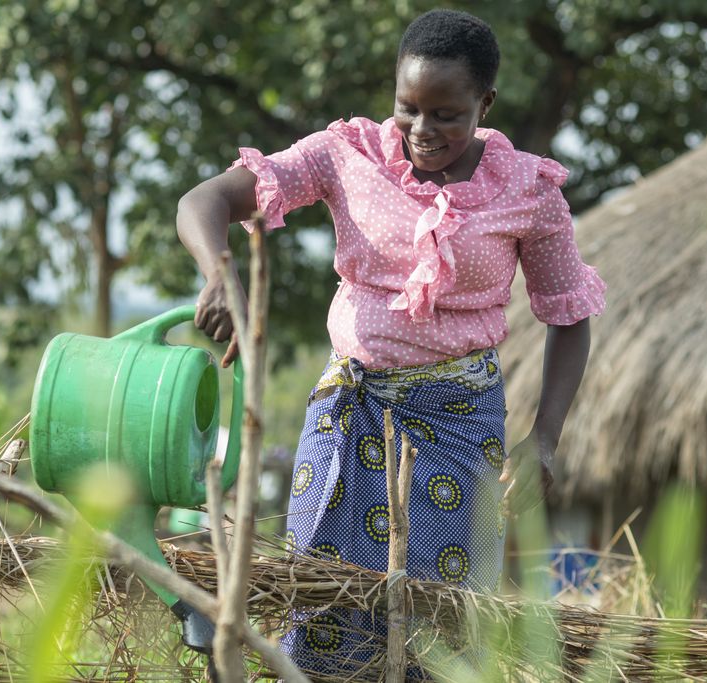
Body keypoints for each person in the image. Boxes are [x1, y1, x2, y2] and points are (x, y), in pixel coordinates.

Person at [176, 8, 606, 678]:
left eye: (446, 114)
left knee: (445, 617)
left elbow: (570, 314)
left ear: (484, 103)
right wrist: (219, 271)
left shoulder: (527, 190)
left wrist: (546, 433)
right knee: (323, 595)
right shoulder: (347, 155)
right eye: (409, 108)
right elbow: (204, 200)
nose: (422, 131)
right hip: (350, 411)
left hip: (460, 427)